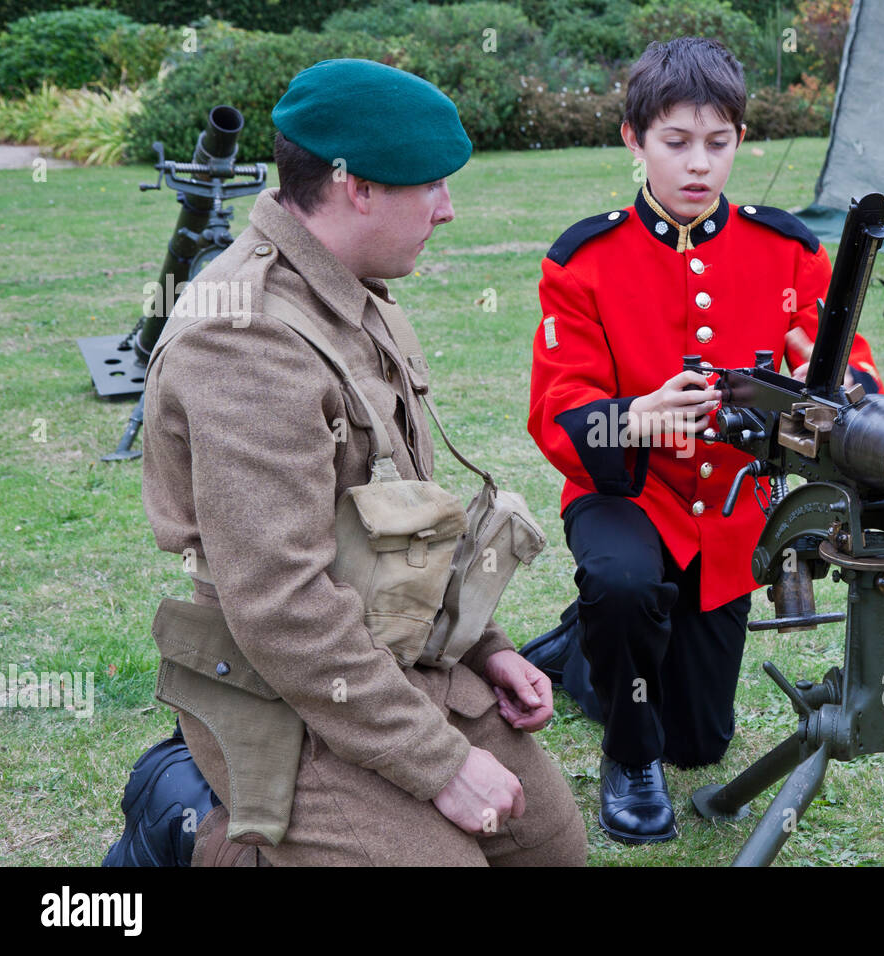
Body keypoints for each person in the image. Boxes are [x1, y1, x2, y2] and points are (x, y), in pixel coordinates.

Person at [106, 59, 587, 866]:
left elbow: (402, 512)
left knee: (548, 847)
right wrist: (437, 763)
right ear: (356, 187)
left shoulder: (352, 292)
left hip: (393, 650)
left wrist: (485, 647)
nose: (448, 210)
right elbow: (281, 603)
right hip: (287, 685)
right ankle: (193, 829)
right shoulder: (248, 339)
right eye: (430, 185)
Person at [521, 37, 884, 845]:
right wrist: (638, 415)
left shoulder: (787, 248)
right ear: (632, 140)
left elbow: (850, 365)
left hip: (729, 512)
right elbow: (558, 411)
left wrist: (839, 383)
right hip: (628, 495)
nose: (699, 166)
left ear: (740, 143)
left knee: (702, 741)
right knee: (623, 591)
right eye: (675, 143)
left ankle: (584, 649)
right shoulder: (584, 260)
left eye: (718, 144)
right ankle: (626, 750)